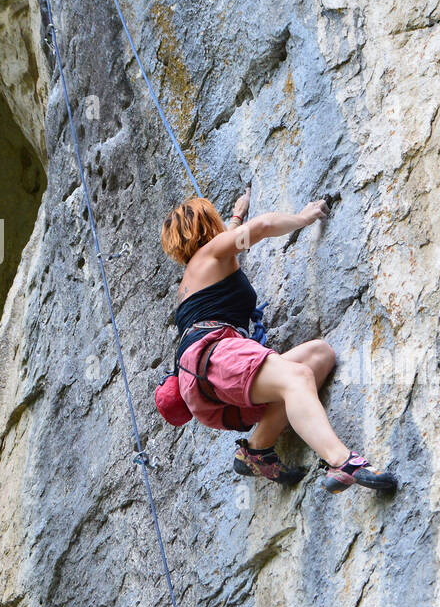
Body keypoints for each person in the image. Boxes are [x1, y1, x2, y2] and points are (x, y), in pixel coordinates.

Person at [157, 190, 397, 494]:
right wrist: (304, 217)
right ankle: (342, 462)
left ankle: (256, 450)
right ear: (207, 224)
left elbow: (233, 243)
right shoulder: (212, 255)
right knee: (296, 377)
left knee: (318, 356)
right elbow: (264, 227)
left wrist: (235, 216)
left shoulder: (203, 268)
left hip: (205, 377)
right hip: (216, 356)